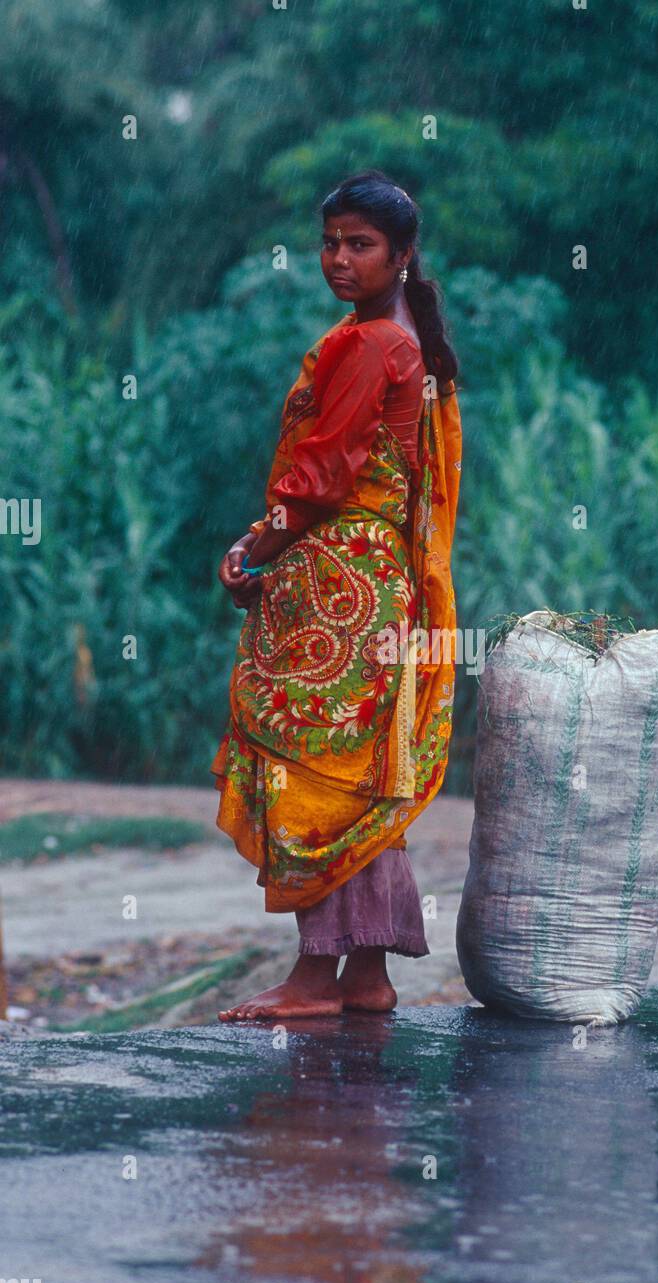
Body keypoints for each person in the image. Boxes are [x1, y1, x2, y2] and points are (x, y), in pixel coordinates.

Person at [212, 170, 462, 1022]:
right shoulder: (403, 342)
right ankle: (366, 976)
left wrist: (254, 549)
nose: (338, 259)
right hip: (374, 582)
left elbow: (319, 478)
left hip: (337, 592)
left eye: (359, 244)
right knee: (360, 775)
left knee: (310, 771)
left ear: (400, 254)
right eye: (330, 243)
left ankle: (317, 979)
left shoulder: (371, 345)